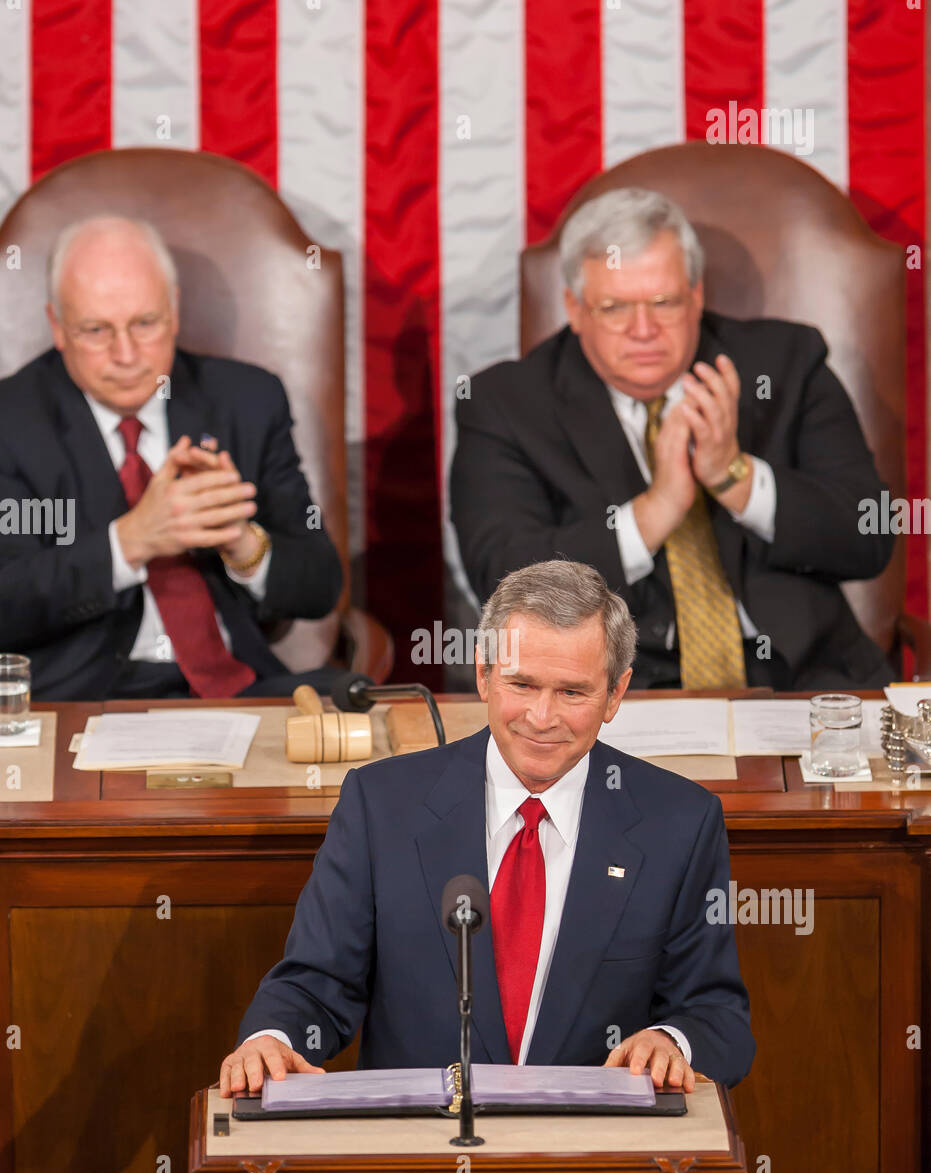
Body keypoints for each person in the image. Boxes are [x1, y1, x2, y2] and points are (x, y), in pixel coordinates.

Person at [219, 559, 754, 1096]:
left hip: (593, 1155)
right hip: (419, 1155)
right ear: (482, 673)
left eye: (572, 692)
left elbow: (717, 1017)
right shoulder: (381, 806)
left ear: (616, 694)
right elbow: (317, 983)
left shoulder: (679, 823)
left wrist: (671, 1040)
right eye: (521, 684)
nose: (541, 718)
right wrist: (273, 1037)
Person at [450, 188, 896, 691]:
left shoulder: (787, 363)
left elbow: (871, 534)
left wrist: (737, 478)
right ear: (574, 309)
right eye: (615, 307)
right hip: (615, 695)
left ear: (697, 296)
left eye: (664, 302)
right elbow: (502, 579)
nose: (644, 330)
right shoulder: (506, 403)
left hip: (809, 682)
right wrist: (654, 510)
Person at [0, 215, 344, 700]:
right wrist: (130, 542)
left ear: (175, 310)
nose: (126, 354)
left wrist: (243, 544)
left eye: (145, 323)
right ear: (57, 326)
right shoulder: (11, 421)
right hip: (80, 701)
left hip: (238, 691)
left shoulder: (246, 400)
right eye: (96, 330)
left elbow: (320, 586)